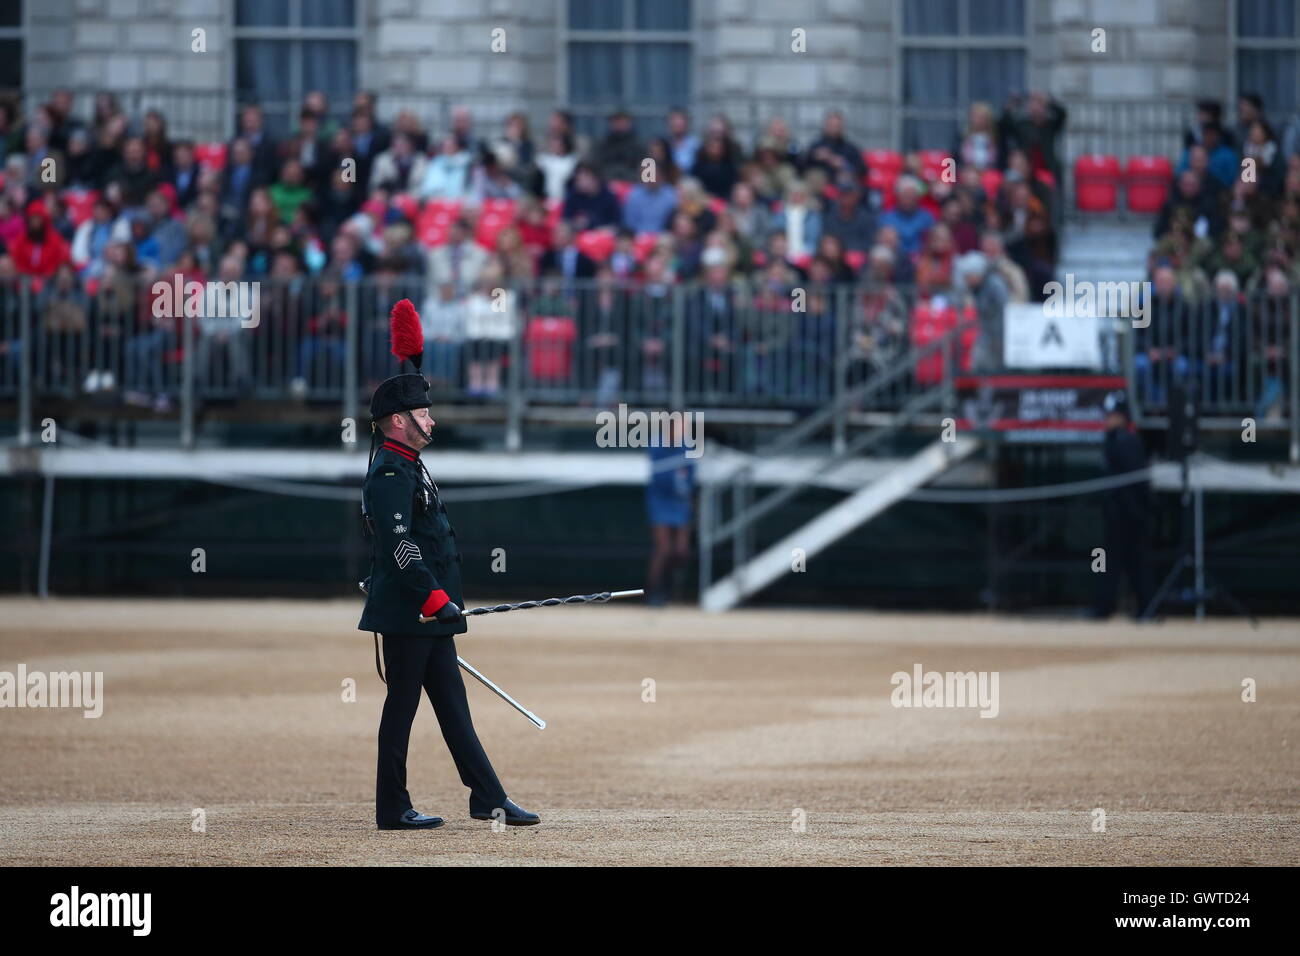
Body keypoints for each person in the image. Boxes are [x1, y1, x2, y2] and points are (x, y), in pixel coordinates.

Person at [360, 300, 538, 829]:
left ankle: (488, 798)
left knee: (454, 711)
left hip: (430, 612)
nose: (431, 418)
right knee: (402, 712)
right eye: (423, 412)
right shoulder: (391, 473)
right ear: (399, 421)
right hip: (412, 612)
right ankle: (392, 808)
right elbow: (399, 545)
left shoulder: (410, 463)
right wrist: (434, 597)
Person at [1092, 392, 1154, 620]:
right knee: (1105, 561)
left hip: (1130, 514)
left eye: (1112, 415)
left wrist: (1137, 512)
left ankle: (1145, 607)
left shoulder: (1127, 440)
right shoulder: (1113, 439)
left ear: (1121, 417)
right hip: (1116, 513)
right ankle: (1104, 606)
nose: (1107, 419)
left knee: (1137, 562)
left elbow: (1136, 482)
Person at [645, 413, 696, 607]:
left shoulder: (687, 447)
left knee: (681, 550)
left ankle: (668, 589)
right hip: (661, 500)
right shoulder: (657, 444)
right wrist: (677, 479)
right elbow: (659, 477)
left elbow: (691, 476)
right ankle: (652, 592)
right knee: (664, 548)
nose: (684, 430)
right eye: (681, 426)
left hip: (680, 502)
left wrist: (684, 486)